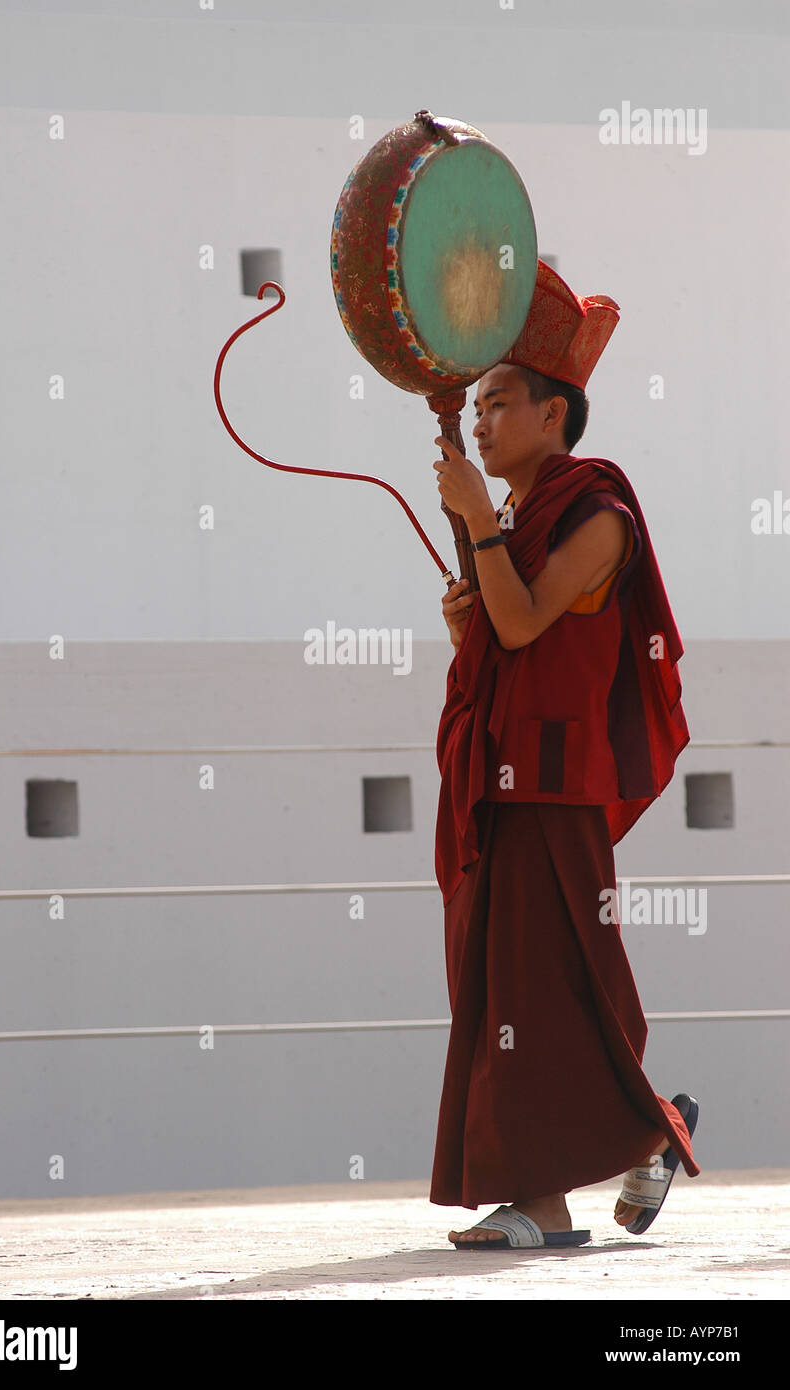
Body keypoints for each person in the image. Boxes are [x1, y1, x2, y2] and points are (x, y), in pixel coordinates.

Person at [429, 260, 700, 1250]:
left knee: (554, 985)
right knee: (507, 989)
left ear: (556, 415)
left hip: (554, 782)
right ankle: (626, 1148)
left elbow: (535, 623)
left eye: (500, 403)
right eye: (480, 404)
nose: (484, 421)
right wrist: (469, 611)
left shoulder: (597, 513)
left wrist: (476, 533)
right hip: (501, 787)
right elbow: (500, 639)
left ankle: (563, 1187)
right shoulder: (516, 520)